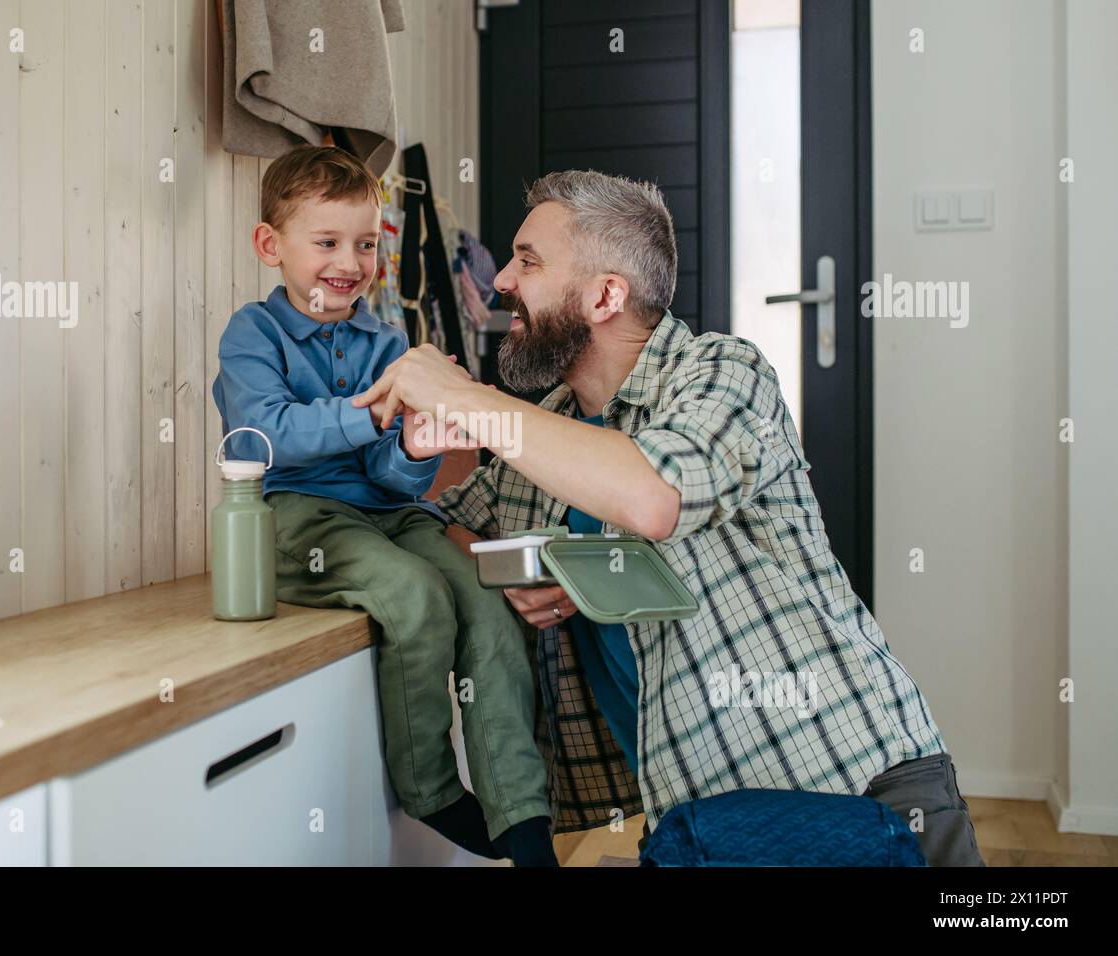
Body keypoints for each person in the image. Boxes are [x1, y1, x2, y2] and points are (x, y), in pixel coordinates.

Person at [354, 169, 985, 866]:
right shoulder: (549, 432)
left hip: (849, 789)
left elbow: (655, 497)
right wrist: (506, 568)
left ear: (605, 295)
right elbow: (433, 518)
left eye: (528, 261)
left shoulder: (725, 374)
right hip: (696, 823)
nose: (502, 280)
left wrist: (464, 399)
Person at [211, 146, 557, 865]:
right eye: (328, 242)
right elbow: (262, 434)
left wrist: (415, 450)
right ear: (270, 246)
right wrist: (369, 419)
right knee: (415, 592)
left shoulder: (389, 340)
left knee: (486, 602)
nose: (350, 261)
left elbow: (394, 482)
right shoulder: (254, 334)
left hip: (390, 515)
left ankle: (523, 820)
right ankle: (429, 787)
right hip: (300, 519)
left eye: (365, 244)